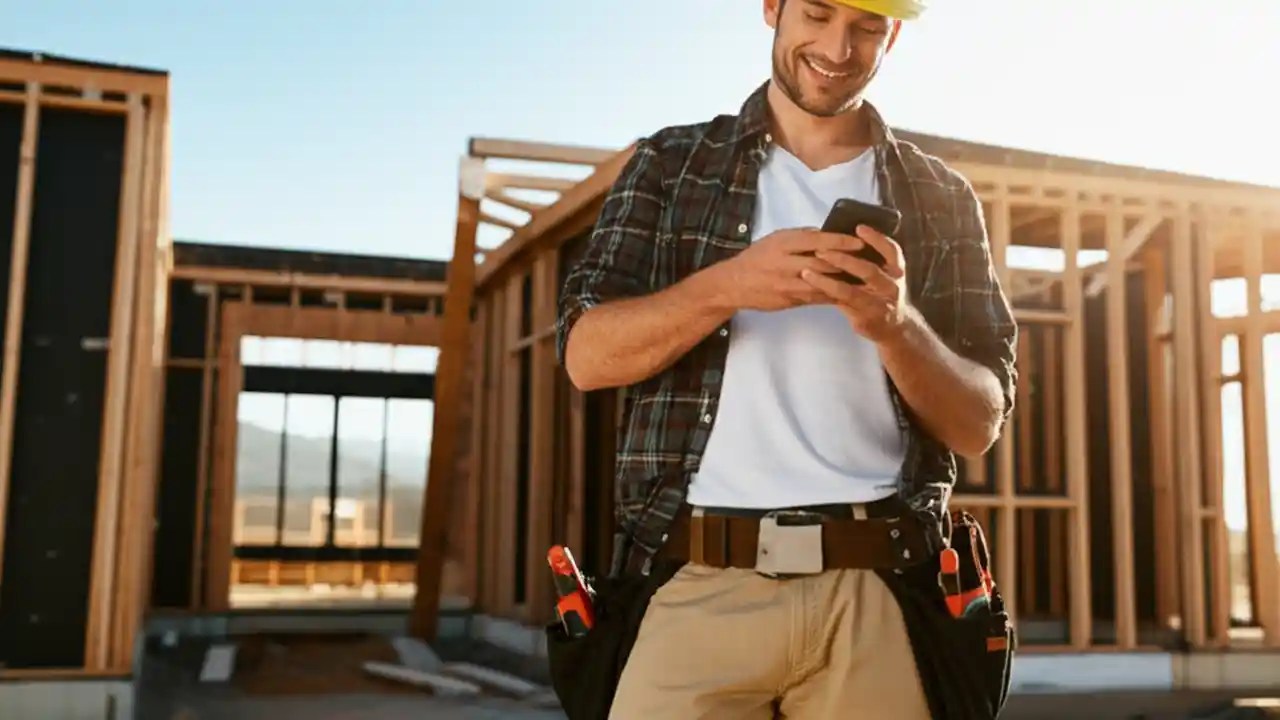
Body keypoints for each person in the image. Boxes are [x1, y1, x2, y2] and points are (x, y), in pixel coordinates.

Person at [554, 0, 1018, 717]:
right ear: (771, 7)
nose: (838, 46)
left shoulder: (941, 198)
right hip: (694, 583)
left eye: (867, 26)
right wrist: (727, 287)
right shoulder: (671, 166)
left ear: (894, 33)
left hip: (877, 592)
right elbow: (585, 357)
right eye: (817, 13)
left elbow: (979, 422)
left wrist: (896, 326)